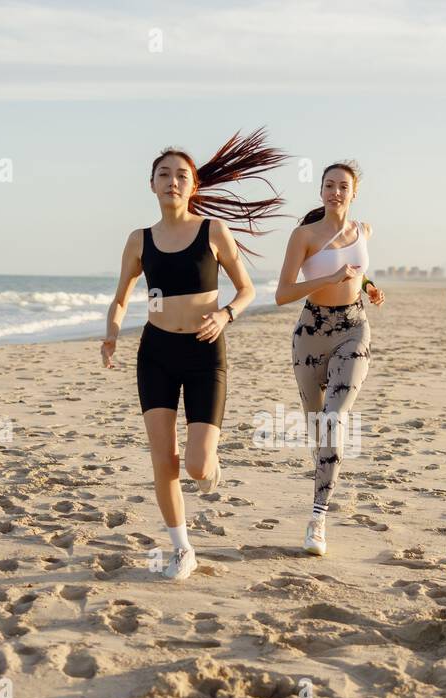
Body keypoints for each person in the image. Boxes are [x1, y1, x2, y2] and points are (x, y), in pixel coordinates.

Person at [101, 129, 288, 579]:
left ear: (194, 185)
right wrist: (110, 335)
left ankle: (210, 465)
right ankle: (182, 548)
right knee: (163, 459)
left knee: (198, 466)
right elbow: (122, 297)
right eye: (163, 174)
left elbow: (247, 290)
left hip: (206, 352)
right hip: (156, 352)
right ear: (151, 184)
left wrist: (225, 315)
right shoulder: (138, 239)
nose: (172, 181)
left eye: (181, 175)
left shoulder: (213, 231)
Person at [274, 160, 384, 556]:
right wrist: (330, 279)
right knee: (318, 429)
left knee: (334, 421)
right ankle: (325, 469)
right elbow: (283, 293)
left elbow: (357, 270)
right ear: (320, 191)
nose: (336, 192)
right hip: (310, 334)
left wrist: (368, 285)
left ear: (354, 193)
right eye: (329, 185)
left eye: (343, 186)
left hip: (354, 328)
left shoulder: (363, 230)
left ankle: (317, 520)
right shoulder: (303, 235)